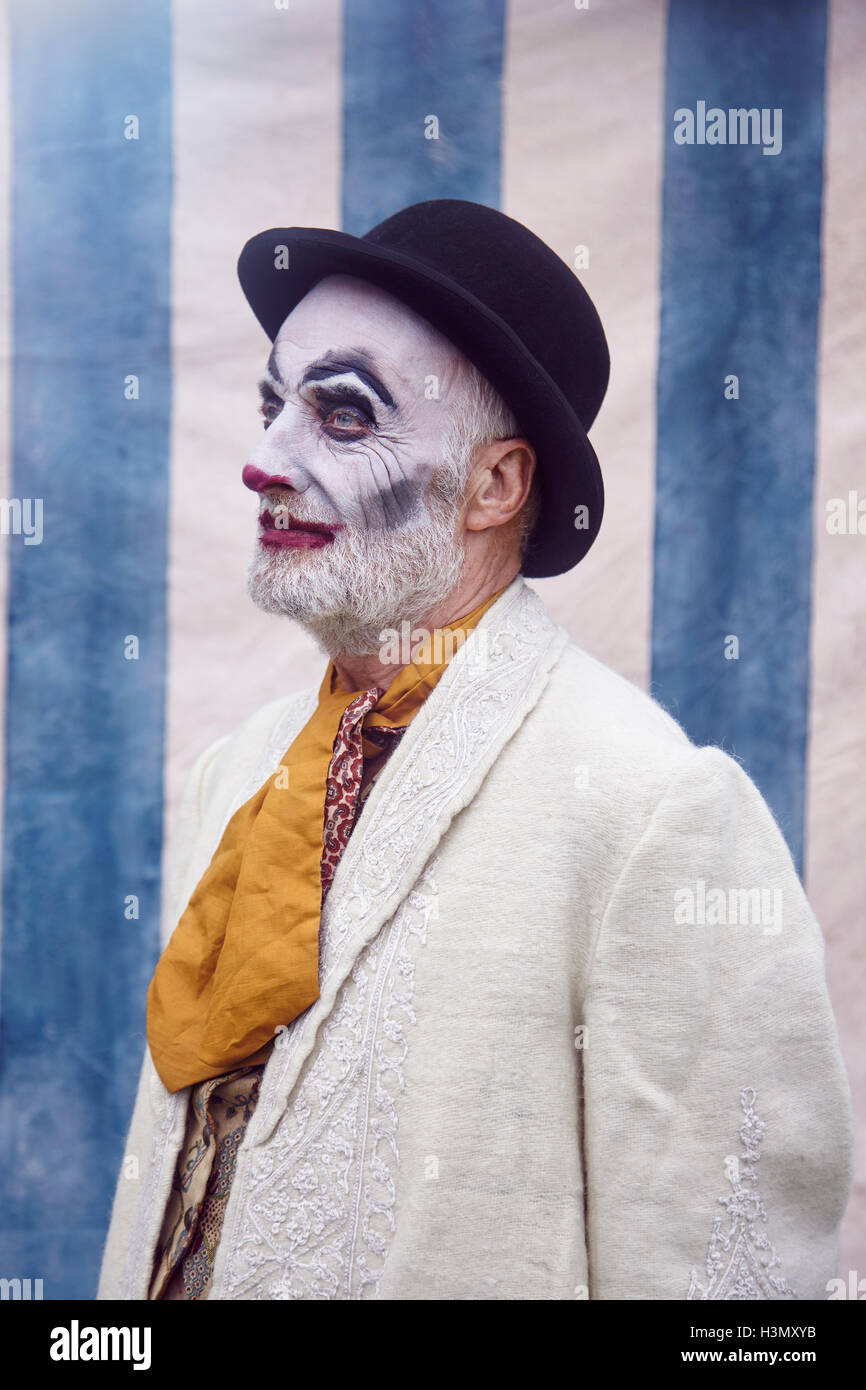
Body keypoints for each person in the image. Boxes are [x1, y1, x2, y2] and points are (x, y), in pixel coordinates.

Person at [98, 199, 852, 1301]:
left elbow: (734, 1294)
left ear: (495, 487)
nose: (263, 461)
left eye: (342, 416)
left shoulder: (652, 809)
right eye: (272, 405)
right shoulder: (235, 772)